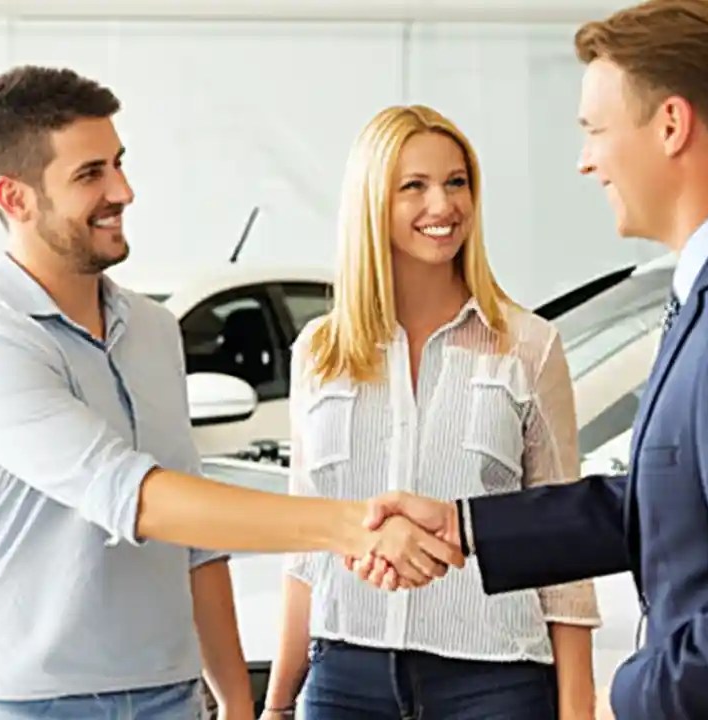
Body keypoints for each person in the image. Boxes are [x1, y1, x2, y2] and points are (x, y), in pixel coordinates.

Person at [353, 1, 708, 718]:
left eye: (596, 130)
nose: (585, 159)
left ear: (670, 125)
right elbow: (670, 496)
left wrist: (630, 698)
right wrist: (465, 527)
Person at [0, 66, 463, 720]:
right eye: (90, 174)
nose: (123, 190)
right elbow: (136, 496)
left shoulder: (153, 330)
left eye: (119, 163)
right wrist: (353, 526)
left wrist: (237, 700)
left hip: (171, 697)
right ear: (16, 198)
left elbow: (193, 538)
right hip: (30, 705)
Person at [258, 105, 601, 720]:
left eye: (456, 182)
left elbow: (566, 549)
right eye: (413, 186)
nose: (442, 206)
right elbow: (305, 542)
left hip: (495, 684)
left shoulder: (528, 346)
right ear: (371, 203)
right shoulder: (321, 351)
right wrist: (279, 704)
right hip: (344, 677)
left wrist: (576, 711)